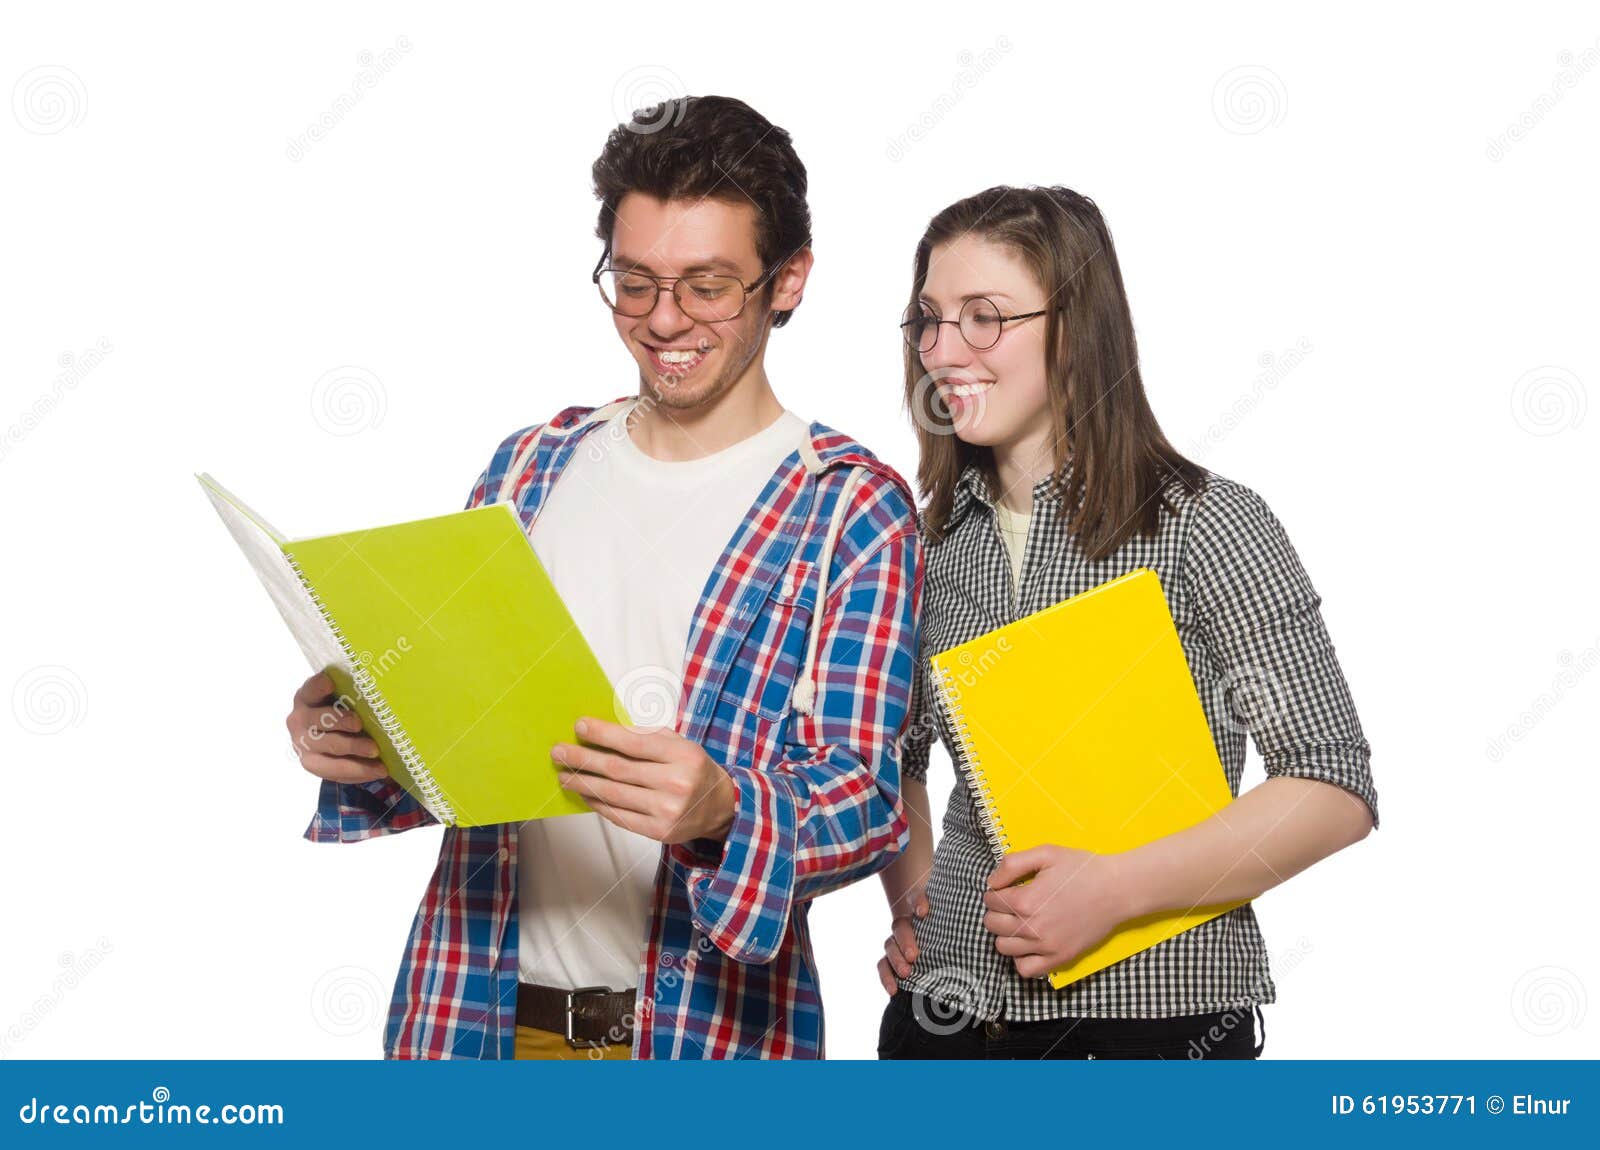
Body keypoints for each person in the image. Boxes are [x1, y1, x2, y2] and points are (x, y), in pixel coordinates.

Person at [285, 95, 923, 1060]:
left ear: (788, 281)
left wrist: (727, 808)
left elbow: (868, 798)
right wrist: (365, 733)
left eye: (708, 286)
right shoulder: (529, 469)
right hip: (470, 1023)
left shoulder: (850, 507)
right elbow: (466, 741)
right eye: (635, 282)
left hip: (700, 1041)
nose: (664, 320)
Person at [876, 185, 1378, 1060]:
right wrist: (913, 900)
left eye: (984, 317)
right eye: (929, 319)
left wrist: (1113, 892)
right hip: (946, 1027)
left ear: (1076, 329)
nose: (942, 351)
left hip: (1155, 1031)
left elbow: (1332, 784)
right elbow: (899, 754)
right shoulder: (926, 544)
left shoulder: (1206, 524)